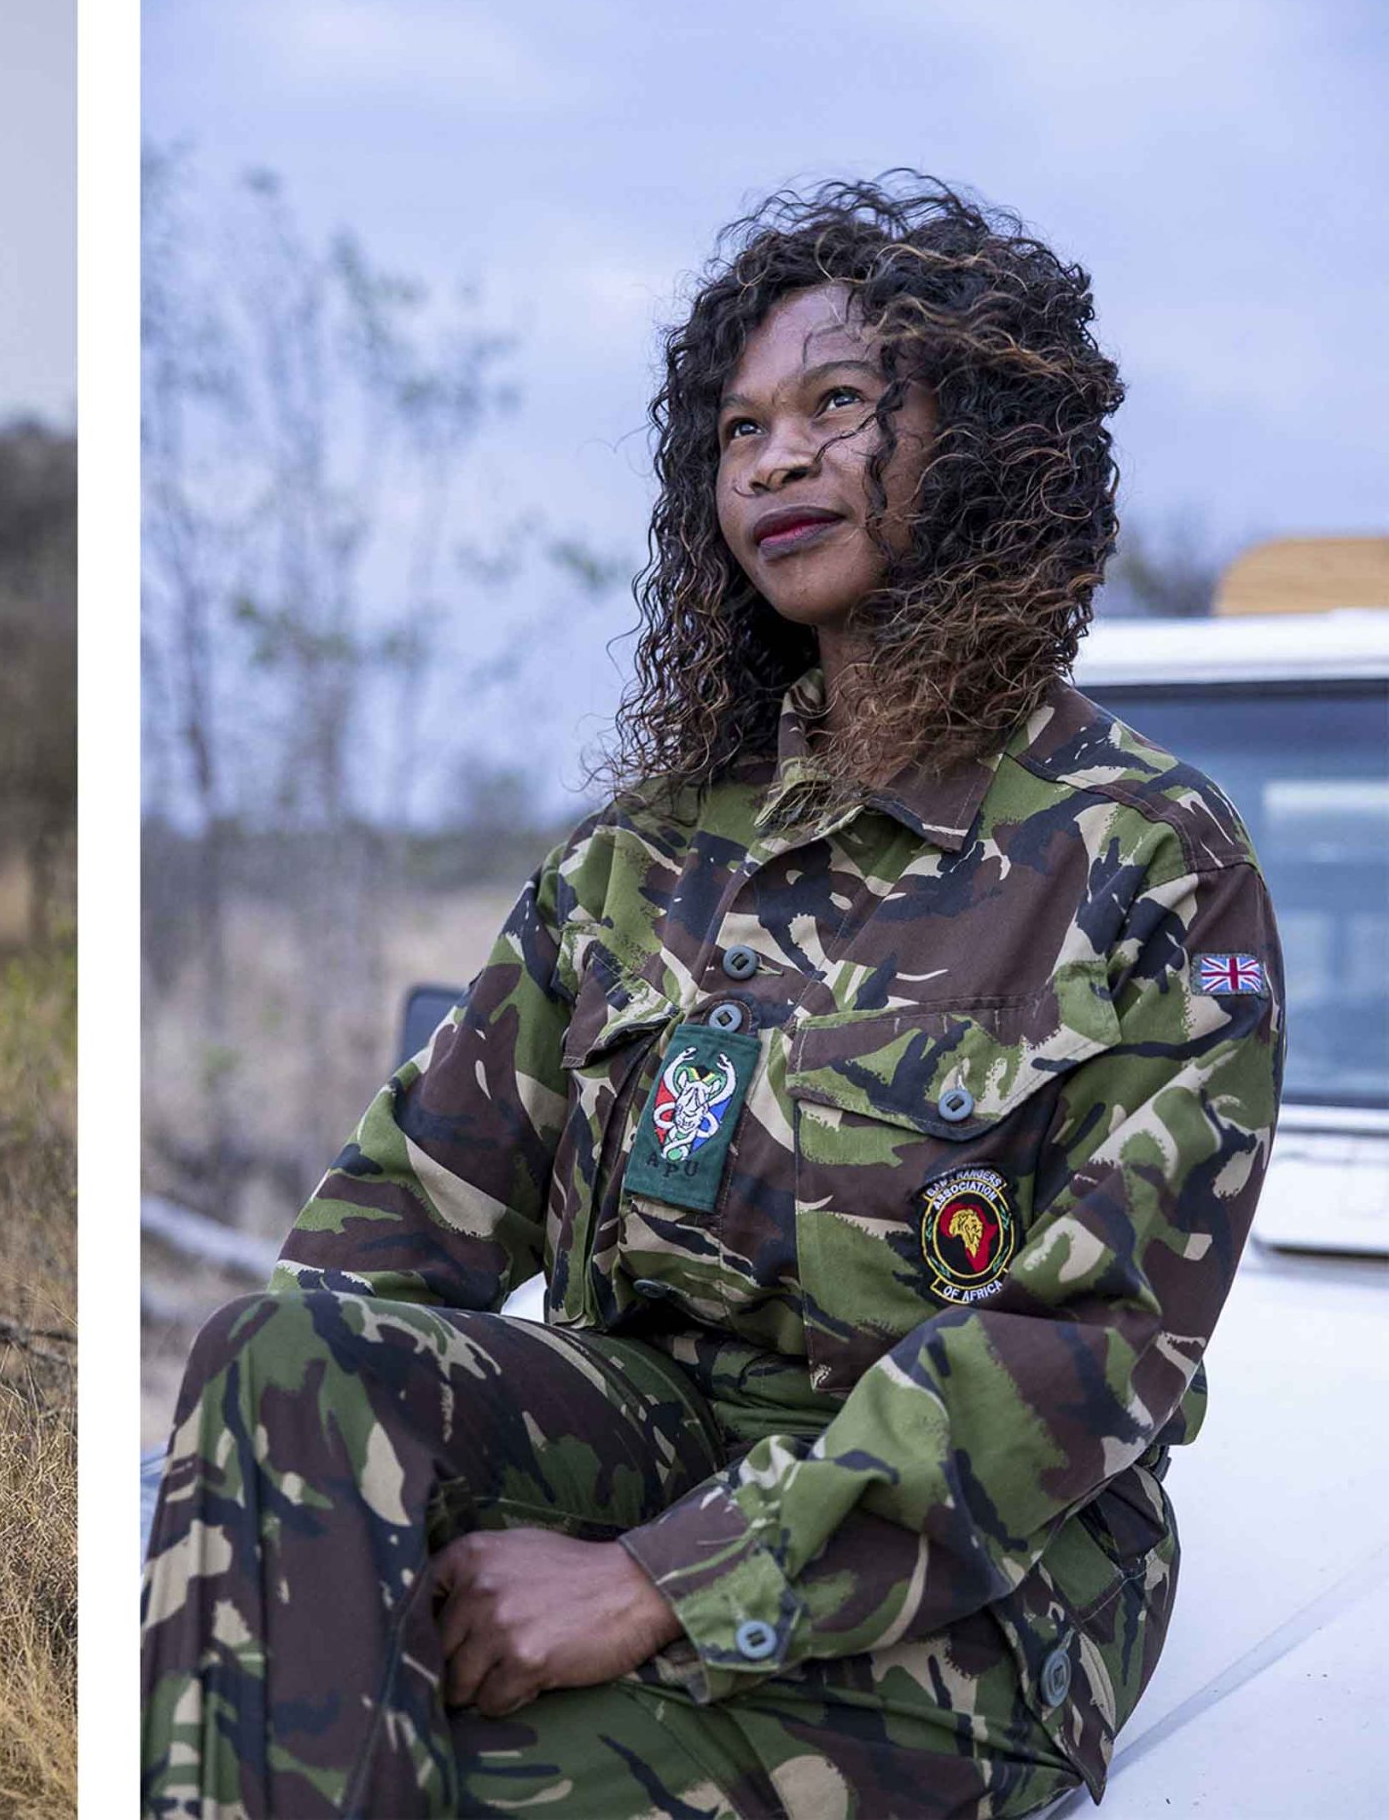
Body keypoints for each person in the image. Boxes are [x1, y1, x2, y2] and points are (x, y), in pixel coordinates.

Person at [140, 176, 1285, 1820]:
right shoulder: (650, 854)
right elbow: (384, 1241)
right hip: (648, 1439)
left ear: (984, 442)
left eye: (838, 404)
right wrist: (321, 1549)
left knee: (446, 1780)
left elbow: (1077, 1360)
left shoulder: (1144, 858)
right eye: (739, 429)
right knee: (275, 1384)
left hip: (966, 1592)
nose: (778, 460)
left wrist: (648, 1585)